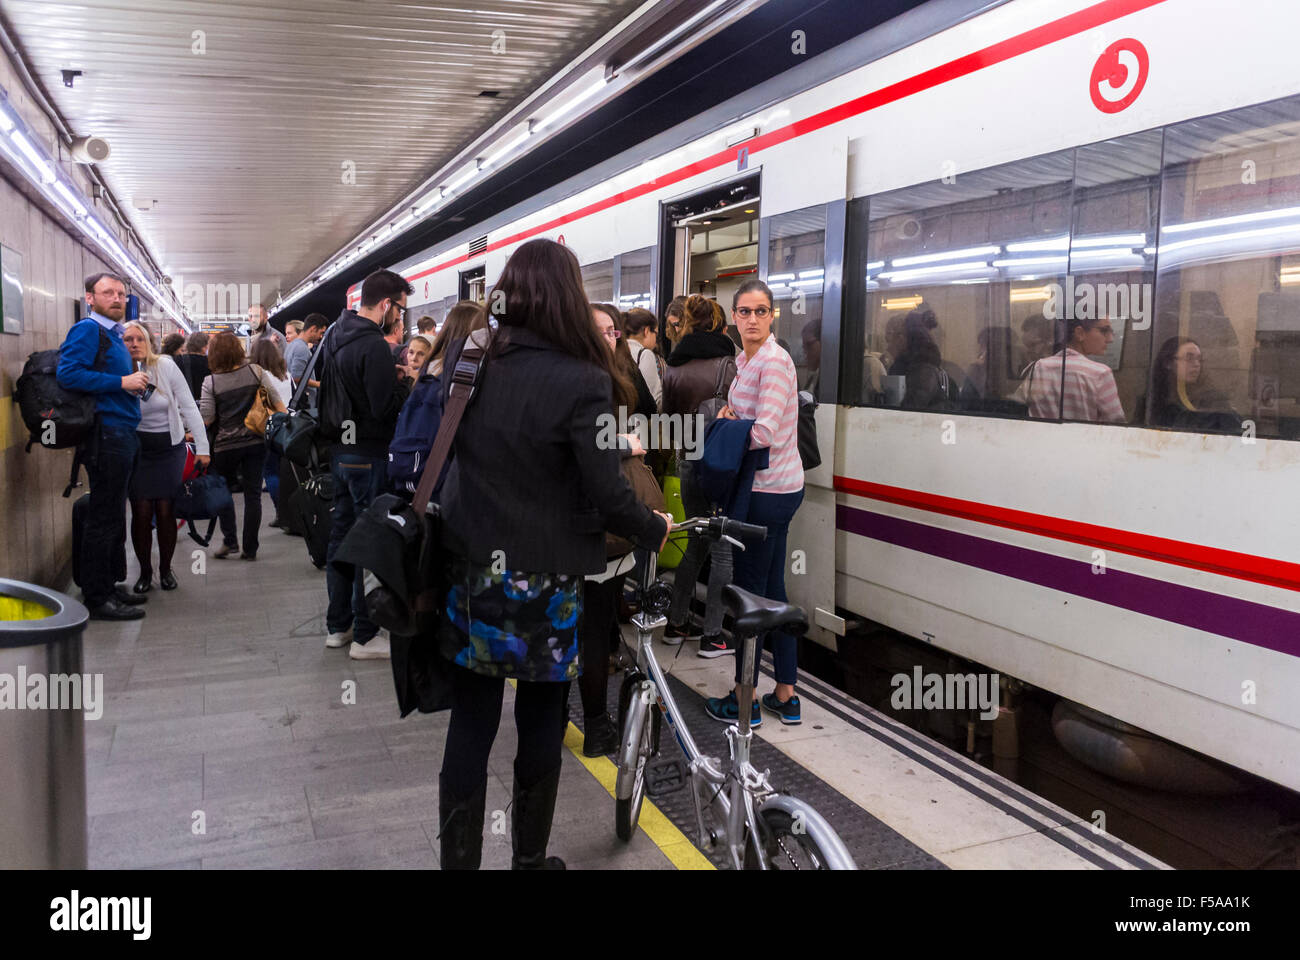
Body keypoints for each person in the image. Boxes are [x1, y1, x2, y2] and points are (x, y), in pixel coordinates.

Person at [435, 238, 671, 871]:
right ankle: (530, 861)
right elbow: (607, 489)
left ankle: (457, 864)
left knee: (471, 722)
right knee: (540, 721)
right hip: (545, 579)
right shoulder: (583, 380)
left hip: (473, 571)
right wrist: (654, 528)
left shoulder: (472, 358)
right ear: (568, 296)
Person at [706, 279, 805, 728]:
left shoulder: (773, 363)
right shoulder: (746, 360)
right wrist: (734, 416)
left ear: (772, 315)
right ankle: (785, 693)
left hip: (768, 493)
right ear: (733, 316)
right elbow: (750, 420)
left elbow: (764, 432)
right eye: (743, 312)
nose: (751, 319)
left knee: (748, 596)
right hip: (771, 488)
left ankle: (744, 700)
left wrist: (729, 422)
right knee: (773, 592)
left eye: (760, 311)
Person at [318, 270, 414, 661]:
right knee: (369, 542)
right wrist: (404, 386)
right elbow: (380, 407)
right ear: (387, 305)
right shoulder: (373, 345)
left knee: (341, 538)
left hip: (341, 453)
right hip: (370, 454)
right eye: (400, 309)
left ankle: (337, 627)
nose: (400, 319)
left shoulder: (336, 335)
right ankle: (365, 633)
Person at [577, 303, 655, 758]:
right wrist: (625, 441)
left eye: (613, 331)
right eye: (600, 331)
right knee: (589, 626)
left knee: (596, 619)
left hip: (598, 522)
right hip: (595, 518)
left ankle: (588, 719)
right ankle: (595, 726)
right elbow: (585, 442)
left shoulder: (611, 372)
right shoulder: (587, 382)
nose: (609, 338)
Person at [56, 273, 149, 621]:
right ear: (90, 298)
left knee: (111, 515)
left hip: (122, 431)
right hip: (107, 434)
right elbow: (69, 374)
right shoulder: (87, 330)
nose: (117, 298)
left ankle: (107, 586)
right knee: (103, 517)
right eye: (108, 293)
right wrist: (122, 381)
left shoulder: (112, 334)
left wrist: (132, 385)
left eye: (122, 294)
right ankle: (97, 598)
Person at [663, 295, 738, 657]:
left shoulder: (672, 365)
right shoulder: (727, 363)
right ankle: (713, 635)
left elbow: (666, 418)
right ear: (719, 325)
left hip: (688, 460)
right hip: (719, 463)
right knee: (723, 548)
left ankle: (676, 624)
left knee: (696, 541)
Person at [122, 321, 209, 593]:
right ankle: (145, 572)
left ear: (150, 342)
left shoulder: (165, 366)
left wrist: (203, 448)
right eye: (127, 339)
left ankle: (166, 569)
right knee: (141, 511)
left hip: (168, 449)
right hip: (137, 451)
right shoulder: (118, 371)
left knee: (165, 510)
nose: (134, 344)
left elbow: (188, 406)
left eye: (139, 338)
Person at [200, 332, 284, 561]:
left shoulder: (211, 382)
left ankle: (230, 541)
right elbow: (276, 403)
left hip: (225, 447)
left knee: (223, 492)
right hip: (255, 442)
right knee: (253, 495)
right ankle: (250, 548)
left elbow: (207, 418)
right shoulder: (255, 372)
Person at [1020, 312, 1125, 422]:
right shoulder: (1101, 373)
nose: (1110, 339)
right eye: (1104, 330)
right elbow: (1116, 424)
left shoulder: (1037, 368)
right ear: (1080, 333)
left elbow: (1019, 405)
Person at [1145, 336, 1242, 433]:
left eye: (1199, 359)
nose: (1196, 364)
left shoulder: (1214, 401)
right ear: (1168, 363)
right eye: (1189, 358)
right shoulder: (1150, 401)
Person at [249, 338, 292, 527]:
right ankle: (292, 513)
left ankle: (281, 514)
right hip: (287, 426)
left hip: (267, 427)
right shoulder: (285, 374)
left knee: (270, 471)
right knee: (284, 472)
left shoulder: (258, 375)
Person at [284, 312, 328, 411]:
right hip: (304, 404)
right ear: (312, 329)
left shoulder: (291, 345)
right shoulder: (302, 348)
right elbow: (296, 377)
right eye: (321, 332)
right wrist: (318, 384)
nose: (321, 337)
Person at [624, 307, 663, 409]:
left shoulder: (618, 350)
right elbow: (655, 399)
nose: (656, 339)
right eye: (656, 333)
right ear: (646, 331)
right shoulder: (645, 355)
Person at [176, 331, 210, 401]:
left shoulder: (177, 360)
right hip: (205, 403)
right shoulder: (210, 363)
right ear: (204, 347)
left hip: (182, 404)